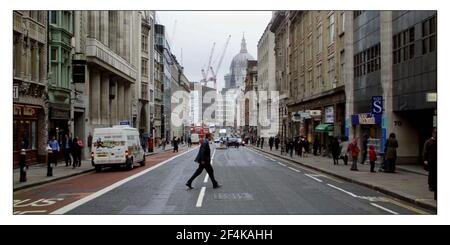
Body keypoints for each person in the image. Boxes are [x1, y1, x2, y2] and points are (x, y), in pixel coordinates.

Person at [423, 130, 437, 200]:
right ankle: (431, 185)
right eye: (435, 134)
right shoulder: (428, 142)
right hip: (431, 161)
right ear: (433, 134)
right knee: (431, 174)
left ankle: (434, 186)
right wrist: (425, 160)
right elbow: (425, 151)